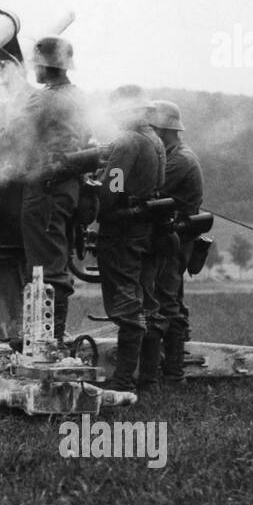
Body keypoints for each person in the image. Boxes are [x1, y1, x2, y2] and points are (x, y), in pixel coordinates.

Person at [19, 36, 91, 345]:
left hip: (46, 188)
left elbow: (15, 132)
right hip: (67, 188)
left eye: (37, 65)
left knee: (46, 268)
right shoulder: (78, 96)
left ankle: (46, 342)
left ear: (46, 67)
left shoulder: (44, 99)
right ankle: (45, 337)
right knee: (54, 261)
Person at [94, 85, 165, 392]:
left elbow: (113, 190)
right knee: (146, 302)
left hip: (121, 230)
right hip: (144, 228)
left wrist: (93, 195)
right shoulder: (156, 141)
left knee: (126, 306)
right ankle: (148, 377)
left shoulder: (127, 141)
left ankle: (122, 381)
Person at [137, 100, 204, 388]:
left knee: (168, 305)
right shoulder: (175, 154)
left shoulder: (179, 160)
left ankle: (173, 375)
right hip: (170, 240)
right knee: (168, 301)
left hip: (172, 242)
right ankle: (169, 371)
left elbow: (148, 189)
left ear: (161, 131)